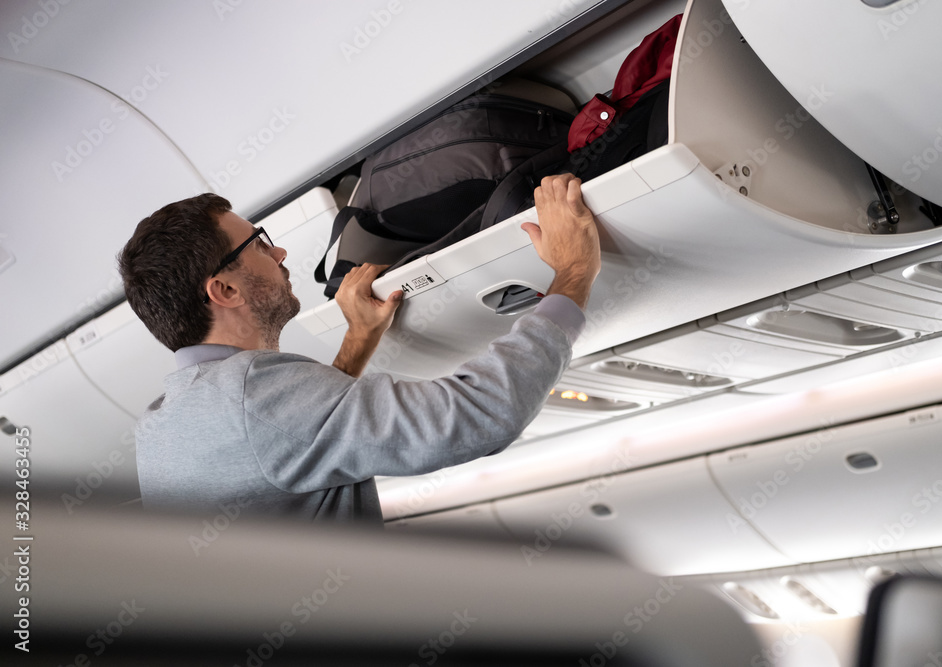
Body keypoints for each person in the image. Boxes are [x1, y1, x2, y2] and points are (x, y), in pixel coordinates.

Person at [117, 174, 600, 523]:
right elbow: (480, 415)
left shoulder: (161, 427)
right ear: (224, 291)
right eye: (259, 245)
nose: (280, 253)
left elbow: (295, 446)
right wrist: (572, 273)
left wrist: (358, 340)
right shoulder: (253, 394)